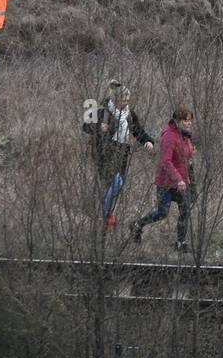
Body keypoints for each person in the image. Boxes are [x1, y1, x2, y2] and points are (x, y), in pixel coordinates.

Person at [82, 81, 156, 231]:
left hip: (122, 152)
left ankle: (105, 216)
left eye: (128, 100)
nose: (126, 102)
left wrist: (147, 141)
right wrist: (99, 127)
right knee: (113, 182)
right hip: (104, 151)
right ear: (116, 99)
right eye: (123, 99)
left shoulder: (129, 114)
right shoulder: (103, 112)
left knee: (117, 184)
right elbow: (85, 126)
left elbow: (138, 131)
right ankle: (106, 216)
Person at [132, 108, 195, 252]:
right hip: (166, 182)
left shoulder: (185, 136)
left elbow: (186, 155)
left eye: (190, 120)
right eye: (186, 120)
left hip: (181, 183)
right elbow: (166, 161)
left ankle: (181, 243)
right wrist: (178, 179)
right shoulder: (169, 136)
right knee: (162, 213)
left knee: (185, 209)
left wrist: (188, 168)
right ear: (177, 121)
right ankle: (137, 225)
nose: (189, 123)